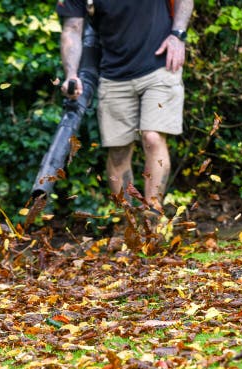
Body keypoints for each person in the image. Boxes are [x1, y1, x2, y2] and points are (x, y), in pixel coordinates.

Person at [55, 0, 194, 213]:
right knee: (119, 151)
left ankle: (153, 218)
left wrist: (178, 35)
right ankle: (130, 225)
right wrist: (72, 74)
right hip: (113, 73)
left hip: (160, 64)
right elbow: (72, 29)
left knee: (152, 137)